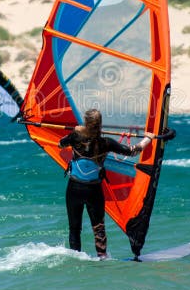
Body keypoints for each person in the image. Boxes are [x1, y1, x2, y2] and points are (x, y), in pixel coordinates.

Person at [58, 108, 151, 259]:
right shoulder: (106, 143)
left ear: (85, 123)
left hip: (74, 188)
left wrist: (77, 130)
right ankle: (102, 258)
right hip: (94, 190)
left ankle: (76, 259)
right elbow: (133, 151)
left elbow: (60, 144)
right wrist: (148, 138)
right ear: (100, 124)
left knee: (74, 229)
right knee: (99, 229)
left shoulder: (75, 137)